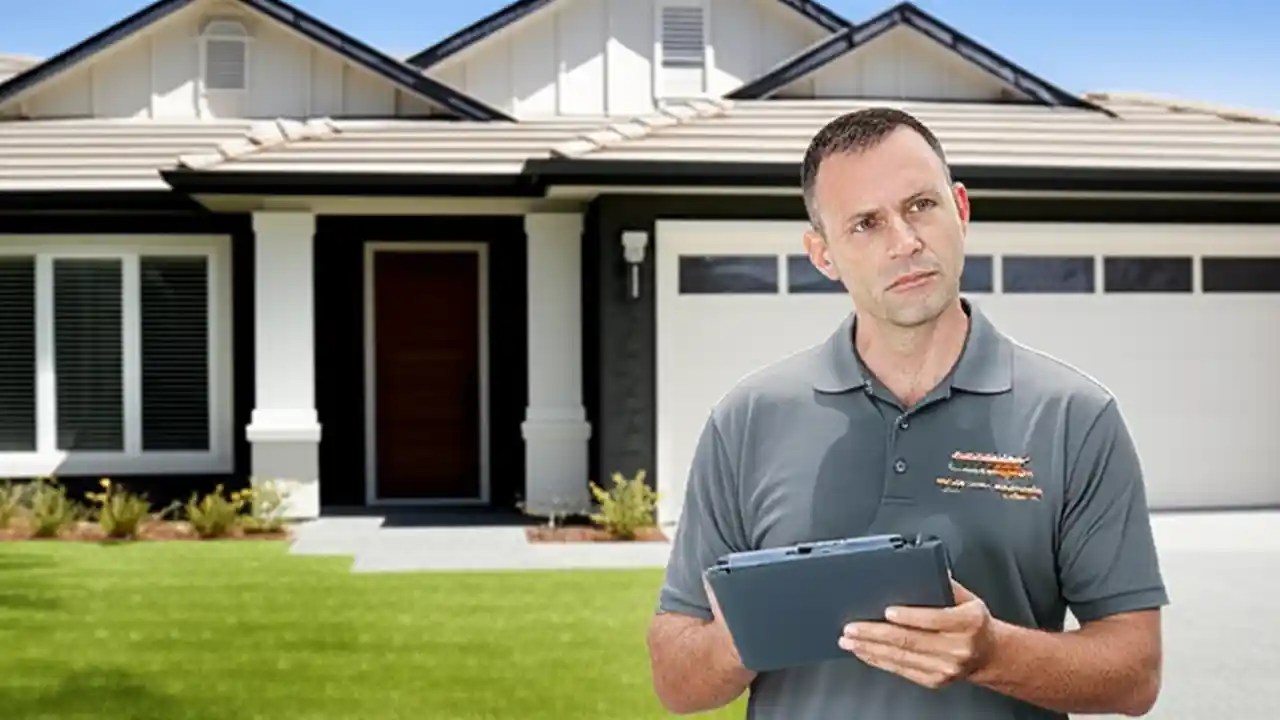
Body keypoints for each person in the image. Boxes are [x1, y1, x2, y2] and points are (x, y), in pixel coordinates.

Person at [645, 107, 1168, 719]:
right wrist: (758, 620)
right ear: (823, 255)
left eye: (921, 205)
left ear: (961, 210)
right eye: (865, 223)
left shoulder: (1075, 418)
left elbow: (1136, 676)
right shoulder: (747, 419)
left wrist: (991, 653)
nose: (905, 241)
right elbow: (676, 682)